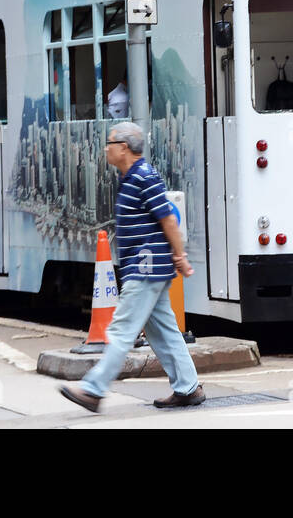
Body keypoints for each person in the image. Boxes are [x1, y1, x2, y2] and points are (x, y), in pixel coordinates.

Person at [59, 122, 203, 413]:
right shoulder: (132, 177)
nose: (106, 149)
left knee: (122, 330)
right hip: (147, 268)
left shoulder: (143, 177)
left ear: (123, 148)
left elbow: (168, 220)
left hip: (145, 269)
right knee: (165, 332)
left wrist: (181, 257)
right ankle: (188, 388)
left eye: (110, 143)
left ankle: (93, 389)